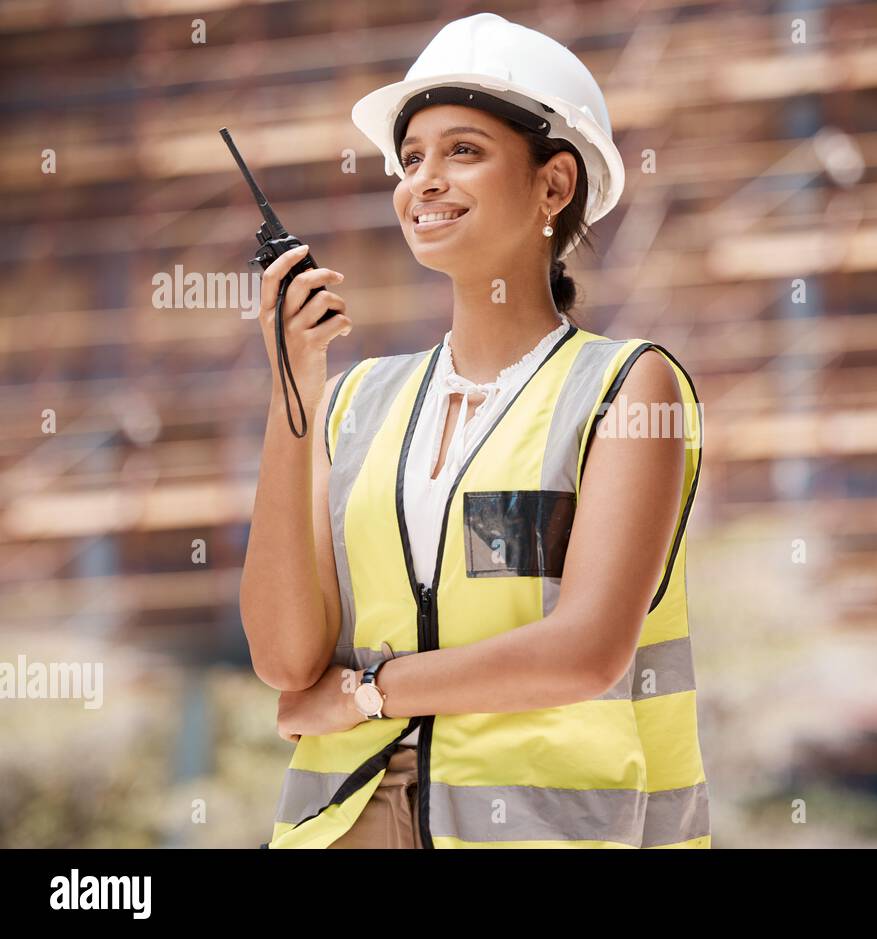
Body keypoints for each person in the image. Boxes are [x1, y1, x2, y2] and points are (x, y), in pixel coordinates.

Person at [239, 13, 709, 849]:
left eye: (462, 151)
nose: (424, 179)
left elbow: (584, 652)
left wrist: (368, 692)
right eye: (411, 157)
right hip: (345, 820)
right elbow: (285, 663)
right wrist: (292, 387)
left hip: (536, 829)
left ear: (553, 186)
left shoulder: (626, 388)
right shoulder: (355, 400)